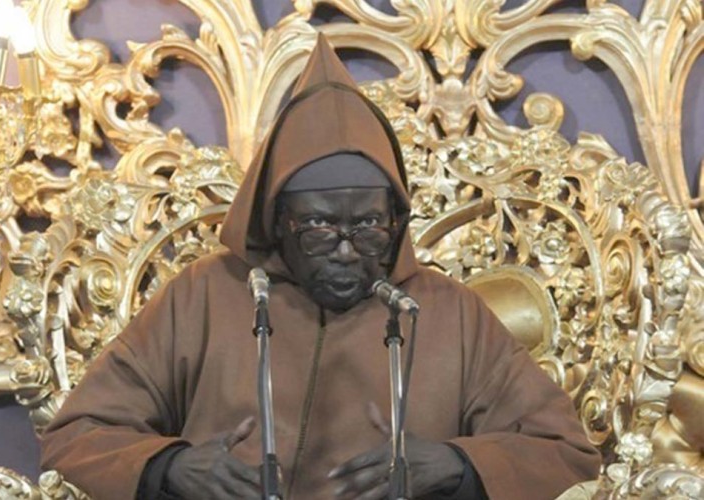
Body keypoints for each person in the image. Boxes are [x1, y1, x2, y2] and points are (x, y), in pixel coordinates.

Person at [40, 34, 601, 499]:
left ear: (397, 221)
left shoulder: (447, 311)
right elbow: (78, 434)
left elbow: (562, 449)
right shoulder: (203, 294)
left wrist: (456, 465)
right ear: (277, 220)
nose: (347, 249)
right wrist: (171, 466)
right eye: (318, 227)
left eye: (369, 225)